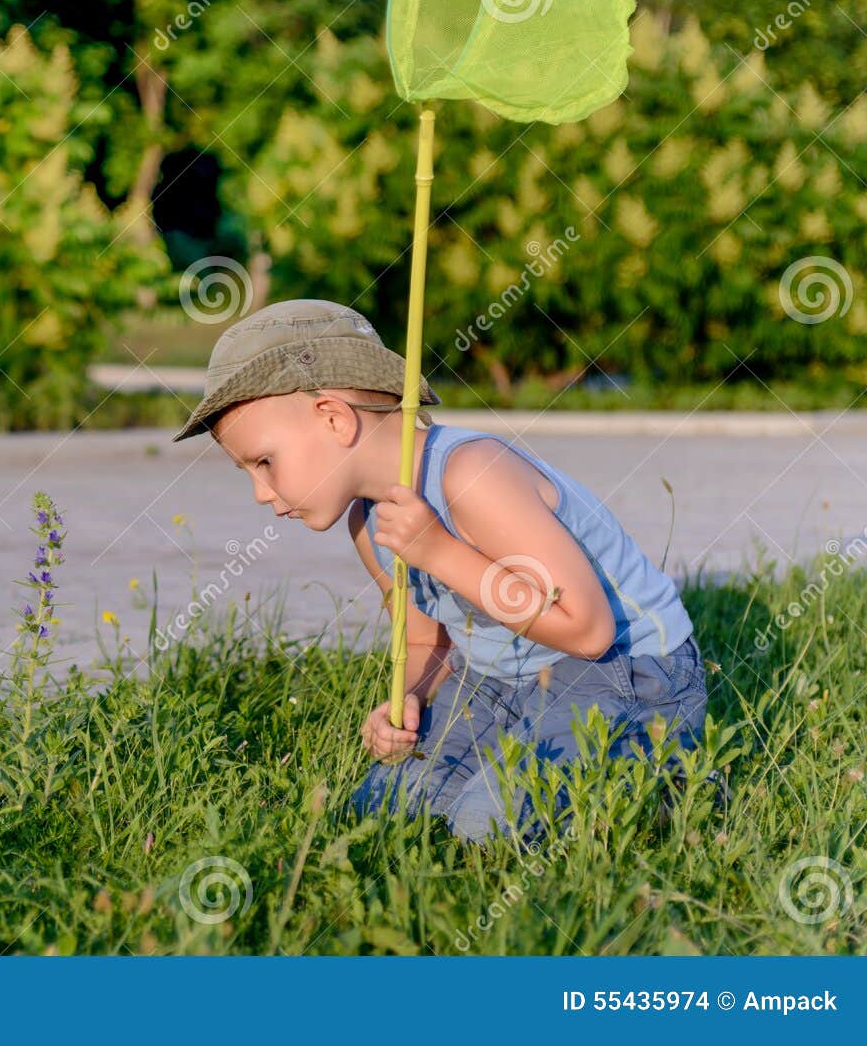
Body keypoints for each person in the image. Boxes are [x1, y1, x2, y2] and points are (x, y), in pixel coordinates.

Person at [171, 298, 707, 842]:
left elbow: (588, 631)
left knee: (487, 825)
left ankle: (665, 779)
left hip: (623, 673)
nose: (261, 494)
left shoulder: (472, 473)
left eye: (264, 463)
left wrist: (441, 553)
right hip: (495, 681)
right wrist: (410, 695)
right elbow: (430, 642)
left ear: (333, 417)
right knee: (384, 811)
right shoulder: (367, 520)